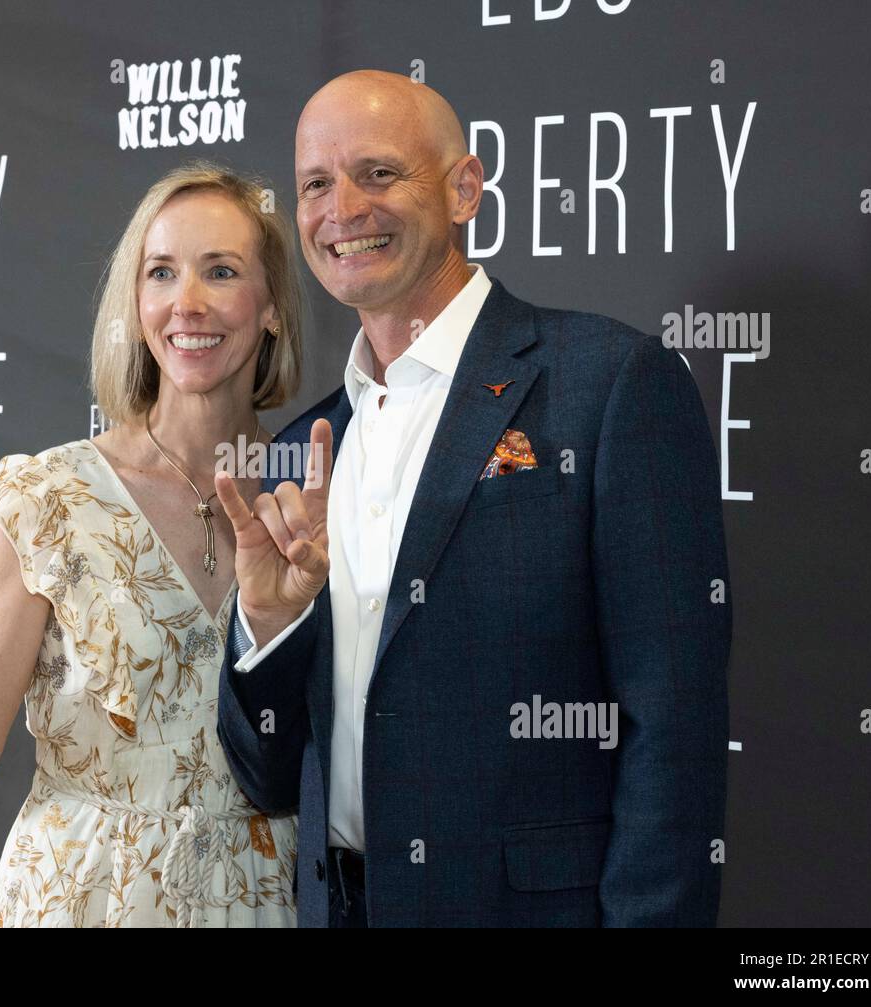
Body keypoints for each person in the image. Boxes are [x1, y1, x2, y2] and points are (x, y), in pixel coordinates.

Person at [214, 70, 732, 928]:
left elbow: (673, 727)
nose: (341, 208)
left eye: (378, 173)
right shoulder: (300, 454)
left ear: (464, 189)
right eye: (315, 184)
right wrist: (268, 628)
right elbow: (266, 776)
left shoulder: (609, 387)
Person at [0, 160, 306, 927]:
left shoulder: (311, 500)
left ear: (270, 306)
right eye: (162, 272)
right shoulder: (50, 499)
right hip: (87, 900)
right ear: (136, 305)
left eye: (222, 271)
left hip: (265, 902)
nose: (188, 302)